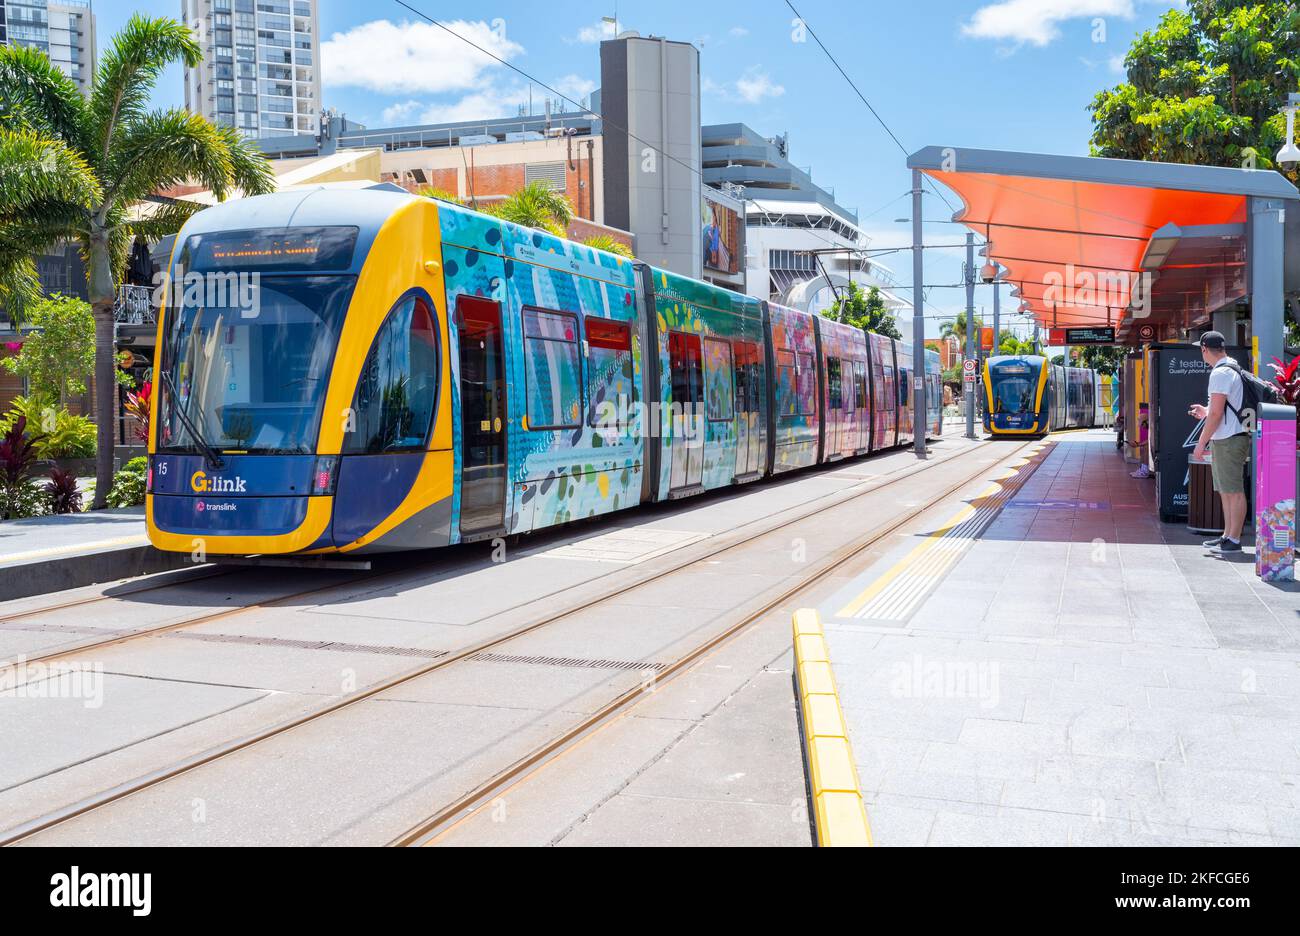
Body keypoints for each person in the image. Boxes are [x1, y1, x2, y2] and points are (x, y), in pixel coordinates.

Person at [1190, 331, 1249, 555]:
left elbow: (1216, 414)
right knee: (1226, 489)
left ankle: (1233, 539)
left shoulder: (1221, 373)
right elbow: (1217, 410)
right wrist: (1205, 411)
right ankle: (1227, 535)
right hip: (1230, 437)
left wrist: (1200, 443)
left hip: (1229, 439)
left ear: (1204, 349)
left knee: (1233, 490)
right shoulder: (1231, 367)